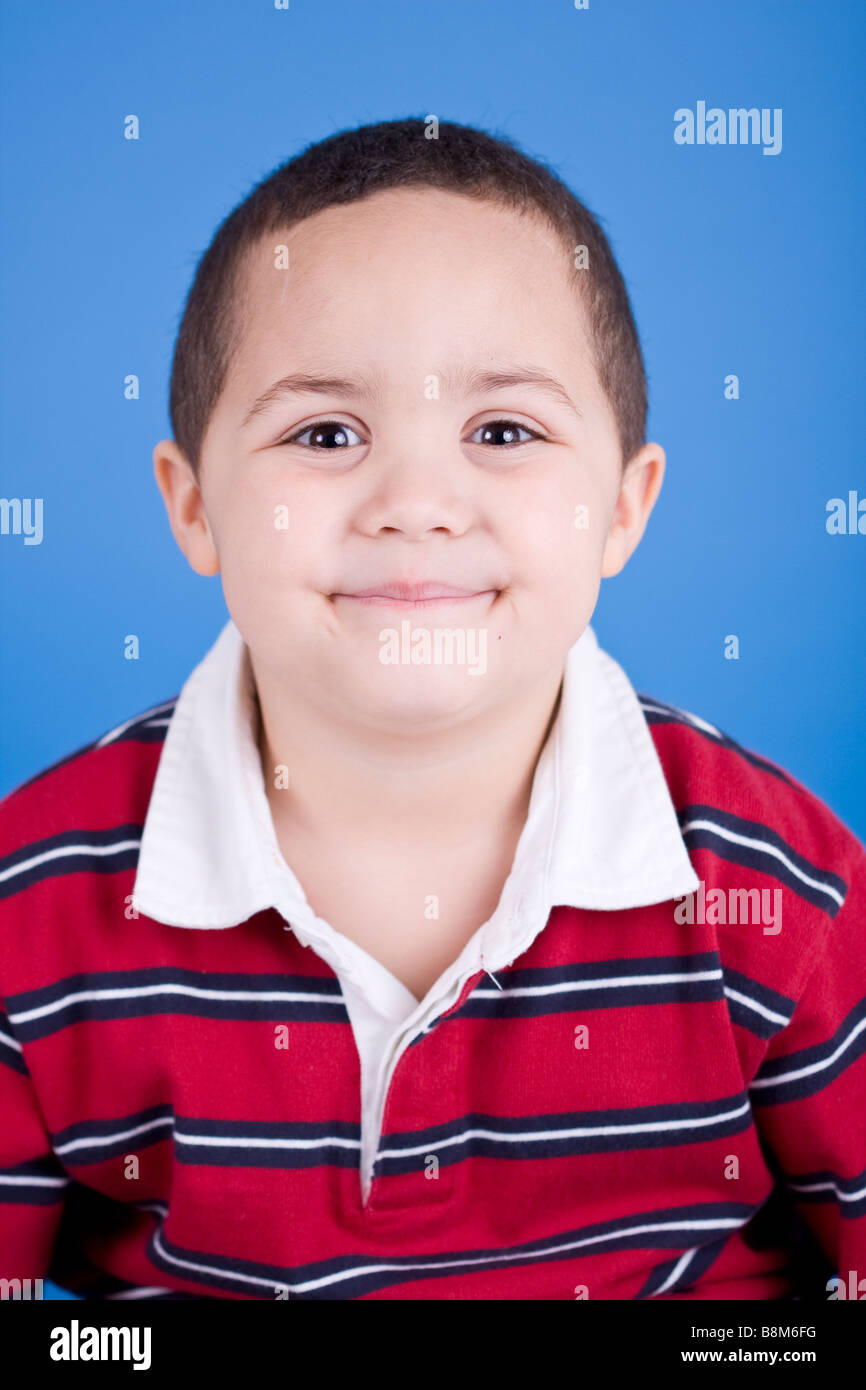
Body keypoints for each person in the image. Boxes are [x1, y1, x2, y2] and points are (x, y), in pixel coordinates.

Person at [1, 117, 863, 1301]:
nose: (415, 501)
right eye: (325, 433)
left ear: (622, 505)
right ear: (193, 505)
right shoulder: (34, 900)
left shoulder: (778, 887)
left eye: (501, 432)